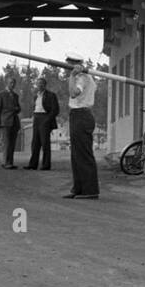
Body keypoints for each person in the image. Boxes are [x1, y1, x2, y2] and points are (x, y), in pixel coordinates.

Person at [63, 54, 99, 199]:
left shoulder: (83, 78)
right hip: (76, 115)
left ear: (74, 64)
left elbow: (73, 94)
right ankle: (78, 188)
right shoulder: (80, 77)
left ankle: (90, 190)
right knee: (76, 154)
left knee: (83, 153)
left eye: (68, 65)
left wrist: (72, 76)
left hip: (82, 115)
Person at [25, 75, 60, 171]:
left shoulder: (51, 95)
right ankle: (33, 164)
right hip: (36, 118)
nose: (39, 85)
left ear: (45, 85)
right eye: (38, 83)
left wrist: (48, 120)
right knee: (35, 143)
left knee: (45, 143)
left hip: (45, 118)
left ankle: (46, 165)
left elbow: (55, 110)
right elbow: (34, 107)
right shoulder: (35, 96)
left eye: (41, 84)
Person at [0, 74, 21, 169]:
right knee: (6, 143)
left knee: (12, 144)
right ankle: (5, 162)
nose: (12, 84)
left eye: (14, 83)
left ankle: (10, 162)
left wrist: (17, 109)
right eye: (11, 82)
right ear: (7, 83)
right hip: (5, 122)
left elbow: (19, 108)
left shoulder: (16, 96)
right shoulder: (0, 94)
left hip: (14, 122)